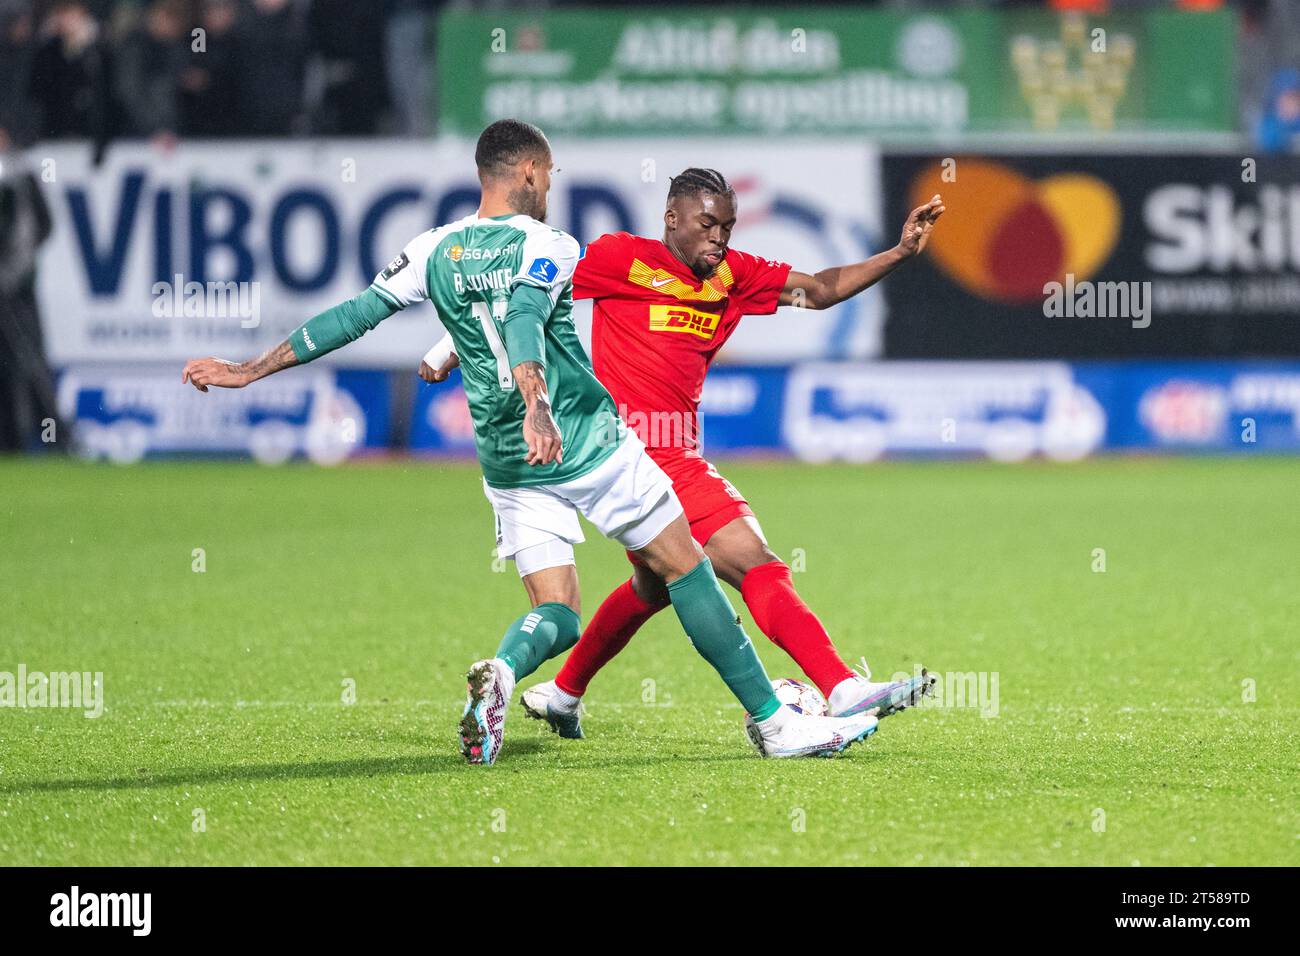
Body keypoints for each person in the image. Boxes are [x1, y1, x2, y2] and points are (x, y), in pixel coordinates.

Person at [180, 121, 880, 765]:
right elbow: (521, 313)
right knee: (686, 567)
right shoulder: (550, 245)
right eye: (549, 173)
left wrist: (249, 368)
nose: (552, 184)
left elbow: (351, 316)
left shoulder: (433, 250)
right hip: (578, 434)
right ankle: (777, 722)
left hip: (504, 458)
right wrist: (540, 404)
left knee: (557, 610)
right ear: (532, 172)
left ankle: (506, 673)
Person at [421, 169, 945, 739]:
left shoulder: (735, 275)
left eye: (727, 226)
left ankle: (563, 693)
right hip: (641, 453)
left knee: (655, 587)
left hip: (664, 456)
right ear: (671, 219)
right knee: (754, 560)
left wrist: (898, 252)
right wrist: (451, 343)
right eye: (706, 224)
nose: (718, 238)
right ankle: (840, 686)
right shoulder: (620, 258)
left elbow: (818, 290)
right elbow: (528, 292)